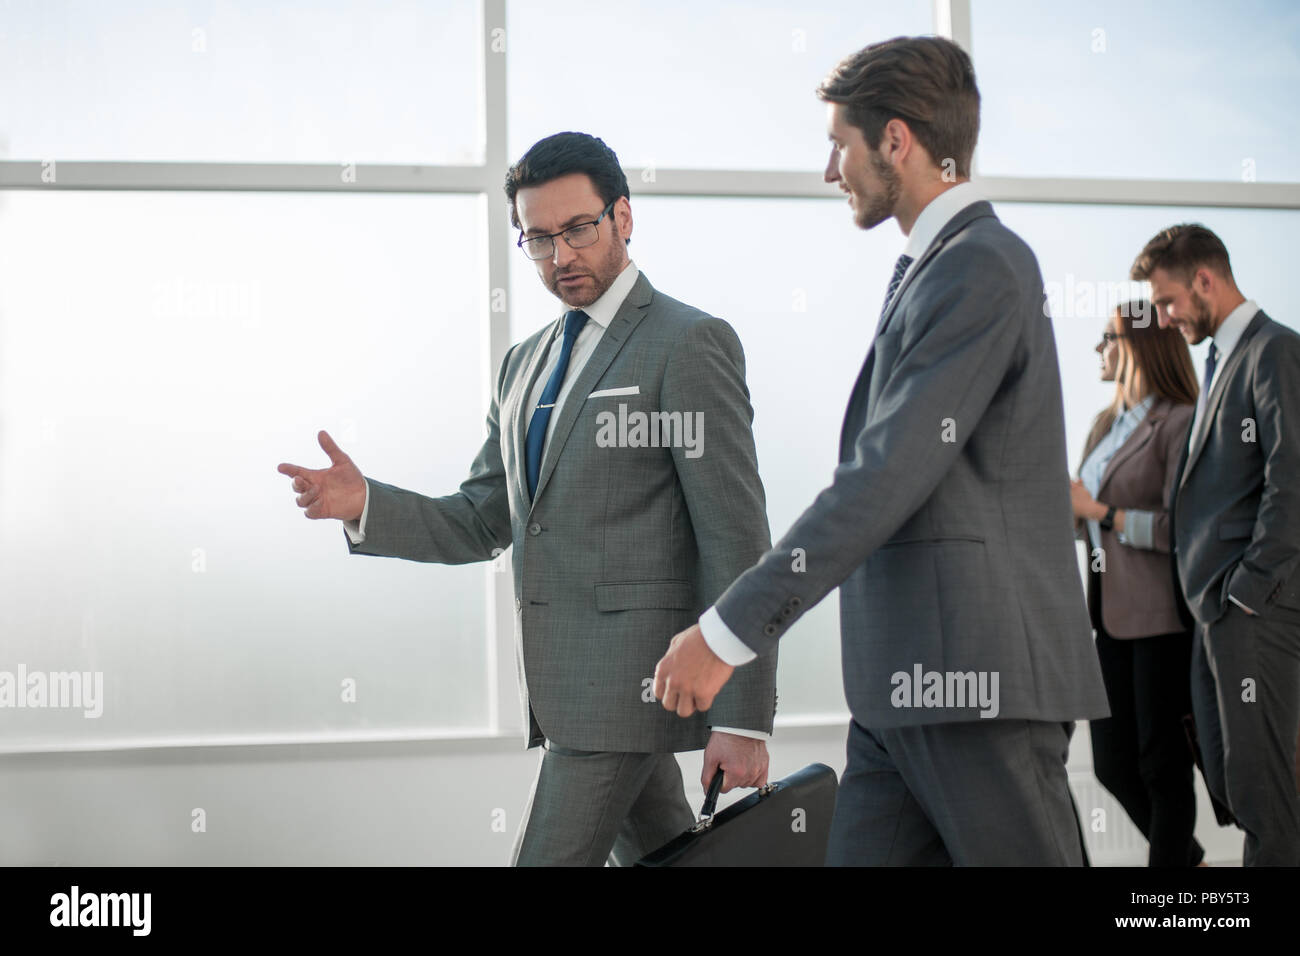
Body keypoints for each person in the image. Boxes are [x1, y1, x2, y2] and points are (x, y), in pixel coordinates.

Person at [653, 36, 1109, 865]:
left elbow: (884, 477)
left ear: (895, 140)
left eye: (840, 143)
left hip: (976, 685)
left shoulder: (984, 266)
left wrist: (726, 633)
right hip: (900, 692)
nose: (832, 170)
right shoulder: (935, 268)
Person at [277, 132, 778, 866]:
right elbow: (484, 519)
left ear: (624, 218)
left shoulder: (688, 343)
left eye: (578, 228)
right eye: (538, 239)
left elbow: (735, 536)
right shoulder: (523, 365)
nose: (561, 256)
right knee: (670, 853)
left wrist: (745, 717)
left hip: (628, 693)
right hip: (566, 689)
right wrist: (363, 504)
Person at [1132, 223, 1300, 866]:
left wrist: (1251, 592)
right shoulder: (1219, 359)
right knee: (1235, 786)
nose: (1166, 317)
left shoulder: (1274, 351)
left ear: (1206, 280)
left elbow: (1292, 480)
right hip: (1215, 610)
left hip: (1248, 609)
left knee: (1265, 800)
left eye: (1171, 301)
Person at [1069, 300, 1204, 866]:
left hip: (1161, 620)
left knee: (1160, 764)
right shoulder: (1107, 424)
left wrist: (1101, 512)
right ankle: (1187, 859)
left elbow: (1184, 528)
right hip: (1108, 617)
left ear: (1140, 346)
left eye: (1108, 337)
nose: (1099, 349)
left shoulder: (1179, 420)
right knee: (1110, 762)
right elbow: (1088, 520)